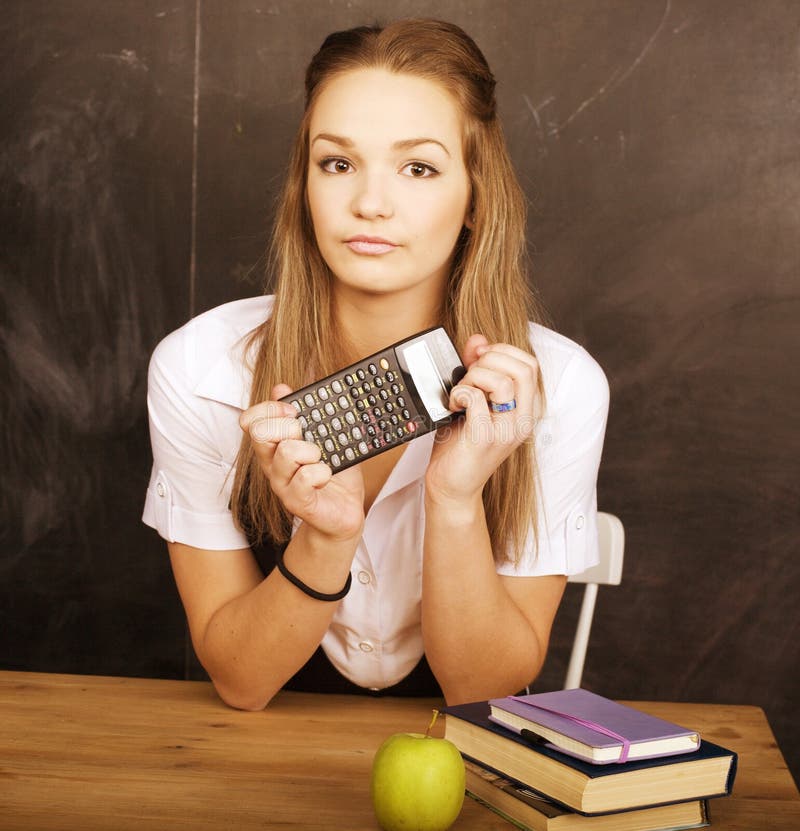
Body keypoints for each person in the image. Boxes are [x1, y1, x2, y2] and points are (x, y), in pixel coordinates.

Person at [142, 18, 609, 711]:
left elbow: (483, 691)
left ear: (476, 196)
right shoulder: (201, 369)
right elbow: (240, 680)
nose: (369, 204)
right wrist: (327, 537)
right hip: (264, 744)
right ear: (304, 184)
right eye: (338, 163)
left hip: (462, 752)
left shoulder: (558, 386)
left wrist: (454, 500)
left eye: (418, 168)